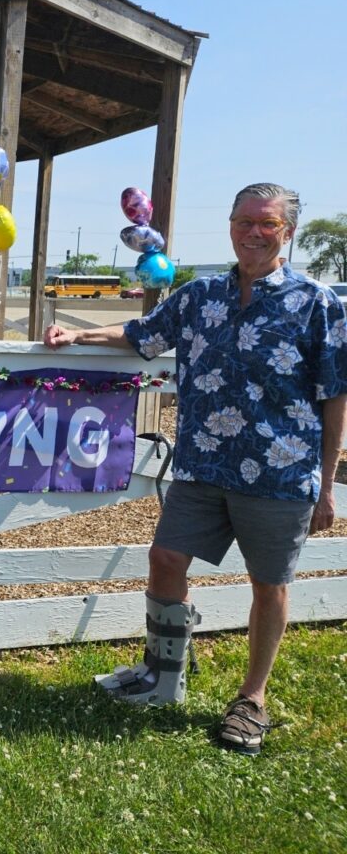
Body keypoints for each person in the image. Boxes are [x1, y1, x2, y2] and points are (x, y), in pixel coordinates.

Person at [44, 183, 347, 754]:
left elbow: (335, 396)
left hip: (279, 473)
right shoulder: (199, 295)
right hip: (203, 464)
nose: (254, 232)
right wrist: (79, 333)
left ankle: (251, 699)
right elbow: (140, 335)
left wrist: (326, 485)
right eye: (244, 221)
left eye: (267, 223)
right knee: (165, 559)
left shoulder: (318, 303)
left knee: (269, 585)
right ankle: (163, 676)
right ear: (230, 225)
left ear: (287, 232)